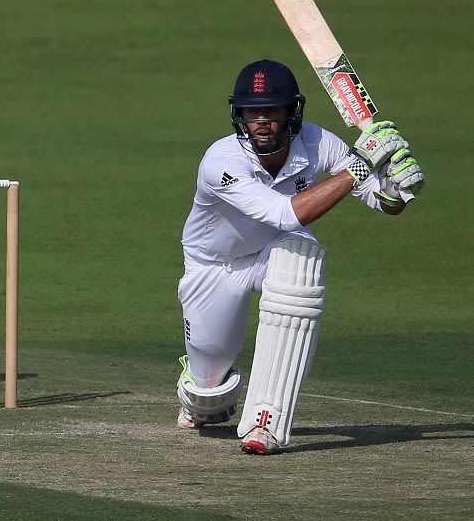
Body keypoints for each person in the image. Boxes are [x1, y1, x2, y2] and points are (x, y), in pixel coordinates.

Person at [174, 59, 423, 454]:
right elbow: (284, 212)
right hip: (214, 268)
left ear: (292, 113)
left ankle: (265, 421)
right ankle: (201, 392)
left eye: (272, 111)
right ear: (238, 115)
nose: (261, 121)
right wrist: (362, 165)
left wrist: (397, 186)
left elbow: (382, 201)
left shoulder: (319, 143)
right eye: (252, 112)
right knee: (211, 399)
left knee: (300, 260)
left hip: (274, 249)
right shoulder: (220, 162)